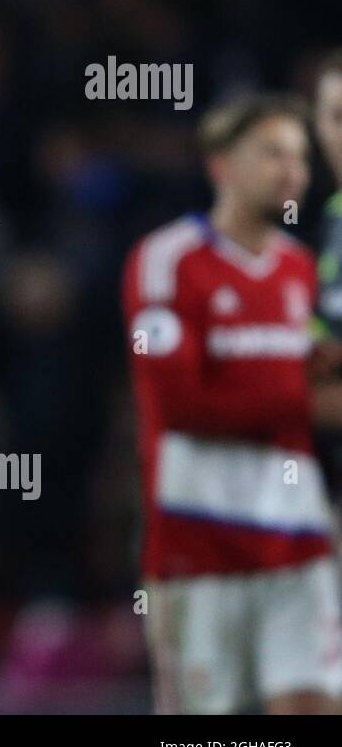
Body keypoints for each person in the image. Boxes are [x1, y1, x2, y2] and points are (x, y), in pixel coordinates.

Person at [122, 93, 342, 714]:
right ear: (220, 165)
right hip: (198, 546)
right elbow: (186, 403)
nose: (292, 172)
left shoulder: (304, 271)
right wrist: (307, 399)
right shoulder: (168, 261)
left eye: (299, 157)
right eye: (271, 153)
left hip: (298, 544)